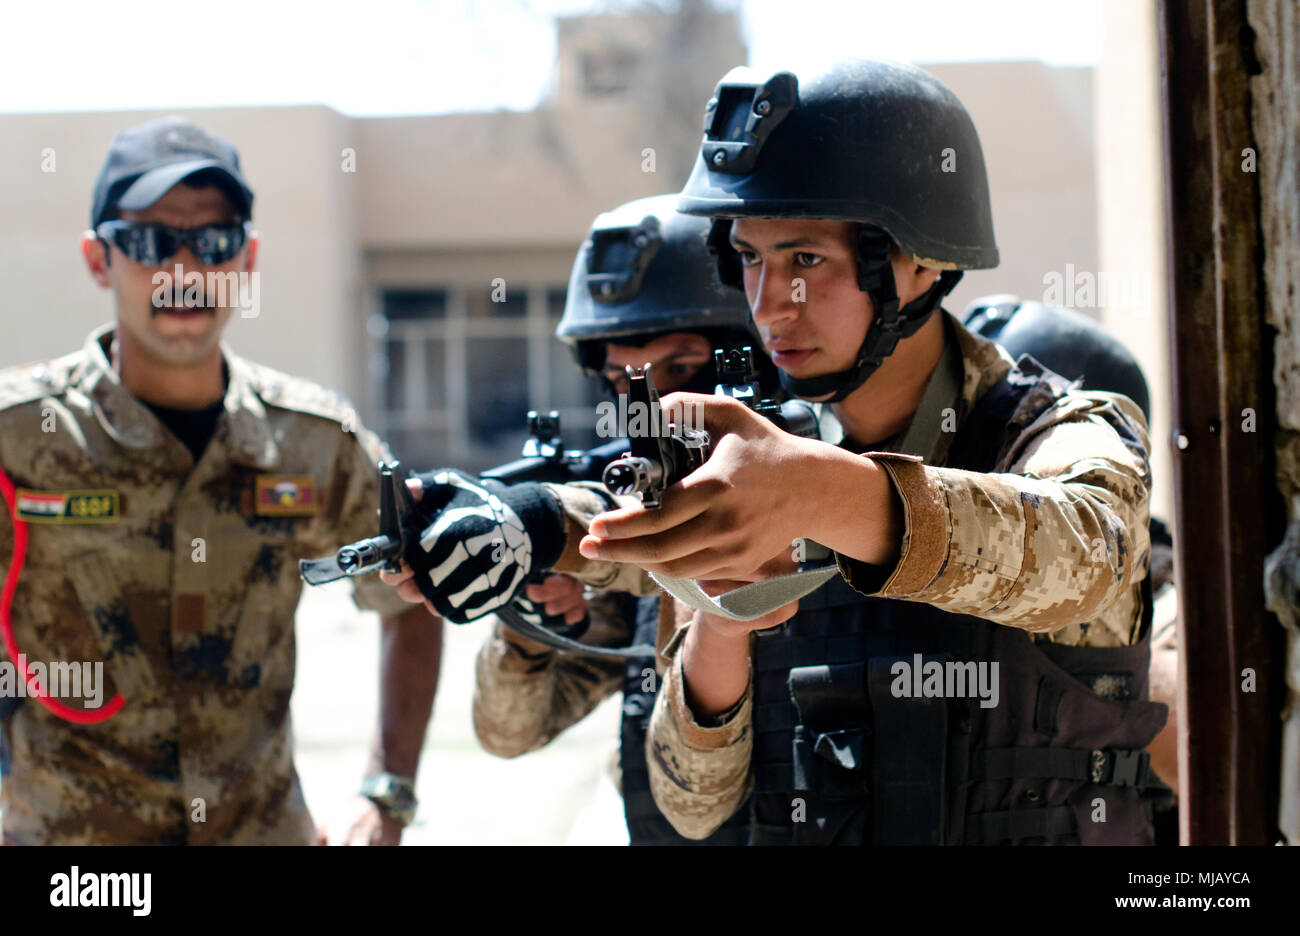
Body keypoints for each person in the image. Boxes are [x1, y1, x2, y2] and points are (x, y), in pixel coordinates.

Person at [574, 59, 1168, 844]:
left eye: (805, 260)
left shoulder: (1058, 428)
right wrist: (722, 624)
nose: (766, 305)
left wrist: (819, 493)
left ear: (921, 260)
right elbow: (692, 805)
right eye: (750, 259)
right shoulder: (756, 464)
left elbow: (1087, 552)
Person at [0, 116, 439, 845]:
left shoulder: (314, 442)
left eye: (214, 242)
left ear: (247, 256)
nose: (183, 269)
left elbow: (411, 596)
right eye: (148, 242)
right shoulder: (20, 436)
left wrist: (386, 792)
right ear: (97, 259)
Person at [470, 194, 762, 844]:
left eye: (682, 368)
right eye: (625, 381)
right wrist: (532, 619)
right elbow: (508, 731)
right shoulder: (633, 527)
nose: (651, 407)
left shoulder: (831, 505)